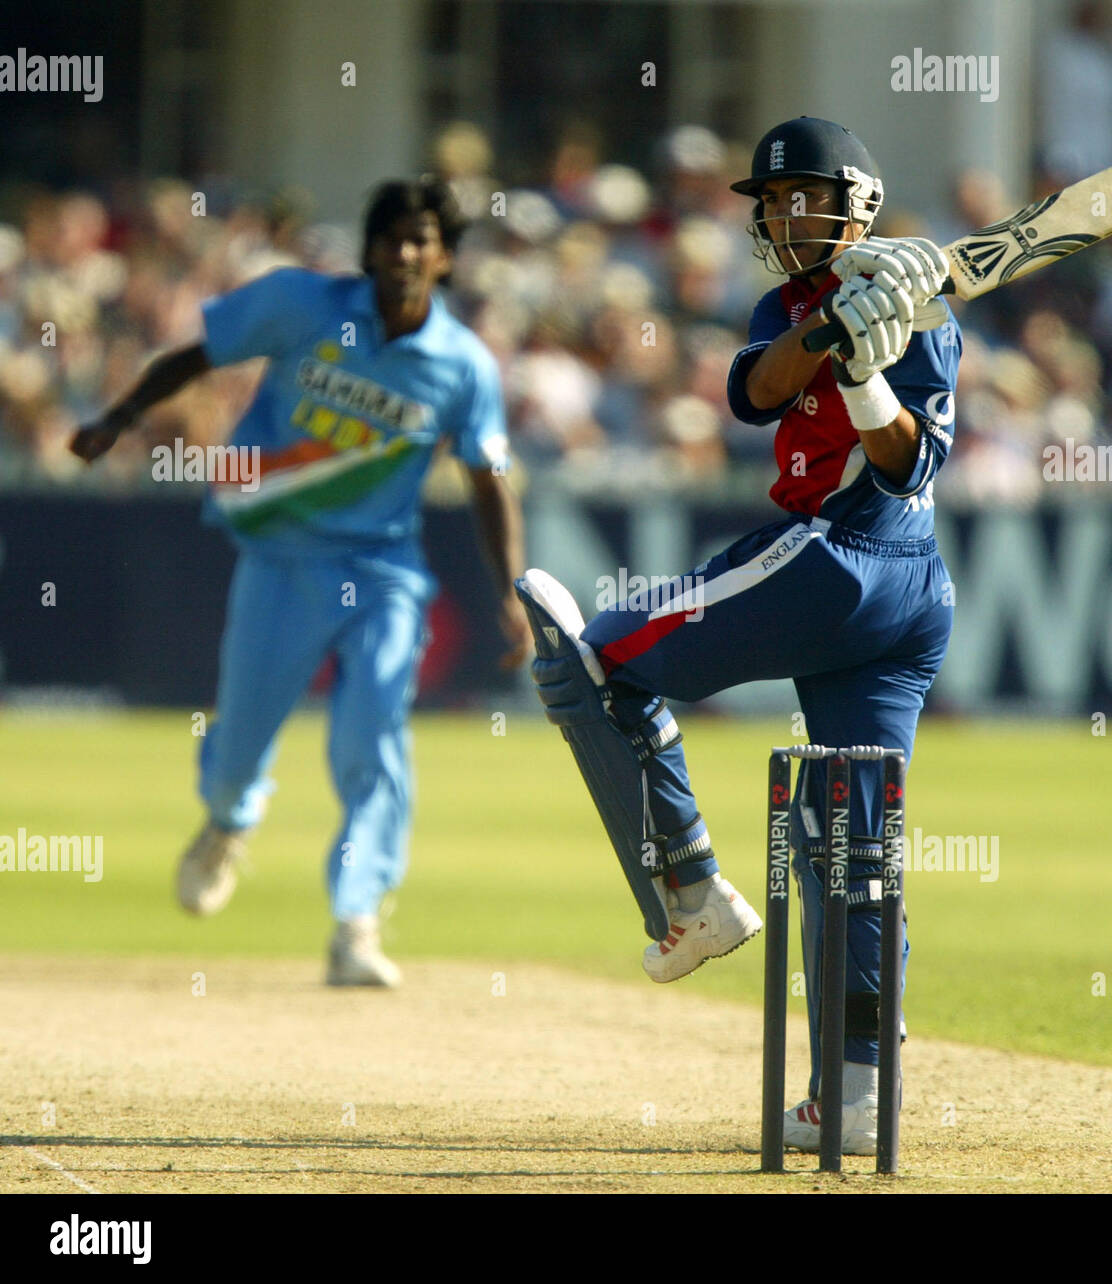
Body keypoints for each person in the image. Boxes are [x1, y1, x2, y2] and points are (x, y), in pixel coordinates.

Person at [516, 117, 960, 1156]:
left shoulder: (925, 309)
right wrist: (829, 334)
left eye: (800, 196)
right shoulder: (783, 304)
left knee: (596, 661)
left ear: (856, 202)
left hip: (845, 561)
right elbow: (753, 392)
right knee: (853, 839)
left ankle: (688, 889)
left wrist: (866, 370)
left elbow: (907, 466)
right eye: (768, 201)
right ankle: (851, 1098)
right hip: (892, 596)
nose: (778, 214)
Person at [70, 178, 528, 987]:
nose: (406, 253)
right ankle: (228, 821)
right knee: (242, 740)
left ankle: (356, 922)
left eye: (423, 239)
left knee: (373, 735)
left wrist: (510, 592)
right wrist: (119, 417)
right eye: (392, 237)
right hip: (282, 558)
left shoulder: (461, 365)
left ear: (446, 256)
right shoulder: (302, 304)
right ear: (370, 249)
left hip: (384, 569)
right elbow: (196, 355)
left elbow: (490, 480)